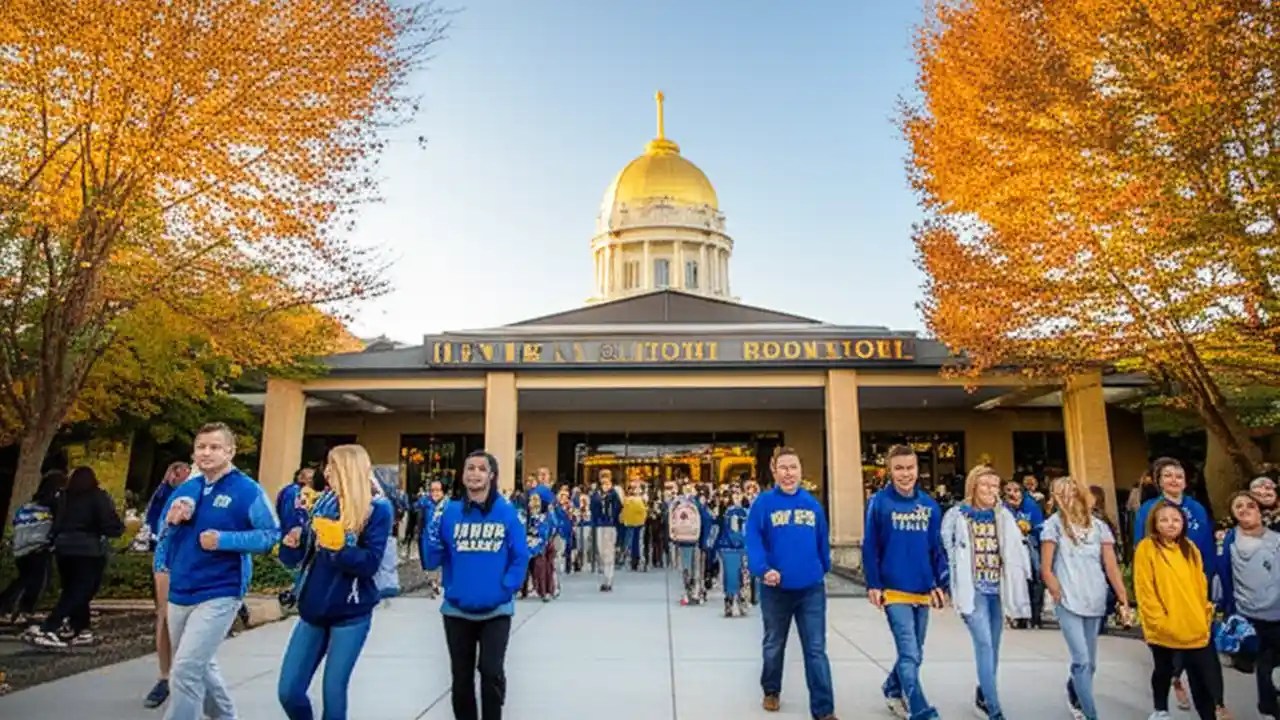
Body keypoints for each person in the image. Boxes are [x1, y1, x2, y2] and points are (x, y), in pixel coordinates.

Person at [156, 422, 281, 720]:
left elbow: (269, 534)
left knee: (185, 670)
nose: (207, 453)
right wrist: (171, 523)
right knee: (200, 664)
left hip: (221, 590)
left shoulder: (246, 490)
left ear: (230, 451)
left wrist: (224, 540)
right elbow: (162, 536)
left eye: (214, 447)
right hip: (181, 588)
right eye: (201, 447)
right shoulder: (188, 489)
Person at [277, 444, 393, 720]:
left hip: (351, 612)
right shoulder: (323, 502)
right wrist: (292, 543)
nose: (326, 471)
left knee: (333, 691)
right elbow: (298, 557)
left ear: (350, 470)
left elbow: (370, 563)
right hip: (313, 607)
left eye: (334, 465)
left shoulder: (377, 509)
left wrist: (337, 549)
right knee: (289, 691)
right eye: (327, 465)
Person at [422, 450, 529, 720]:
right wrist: (430, 532)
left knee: (491, 671)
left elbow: (520, 555)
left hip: (496, 610)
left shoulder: (507, 512)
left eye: (482, 469)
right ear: (463, 474)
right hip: (457, 610)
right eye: (470, 468)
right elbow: (433, 558)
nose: (475, 473)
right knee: (461, 678)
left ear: (492, 476)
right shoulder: (449, 512)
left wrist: (507, 587)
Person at [745, 447, 837, 720]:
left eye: (793, 467)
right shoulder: (763, 504)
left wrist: (823, 568)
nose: (788, 473)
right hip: (776, 591)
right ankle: (771, 689)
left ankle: (824, 710)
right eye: (783, 468)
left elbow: (822, 541)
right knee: (774, 643)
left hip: (810, 590)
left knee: (816, 649)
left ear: (800, 470)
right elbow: (754, 540)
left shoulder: (812, 505)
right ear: (774, 471)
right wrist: (763, 569)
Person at [862, 444, 947, 720]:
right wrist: (873, 584)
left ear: (917, 470)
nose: (905, 474)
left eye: (910, 468)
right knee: (909, 651)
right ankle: (920, 709)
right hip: (894, 590)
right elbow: (871, 546)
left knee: (915, 651)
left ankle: (891, 687)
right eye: (899, 468)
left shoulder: (929, 506)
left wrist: (940, 583)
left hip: (922, 589)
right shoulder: (879, 503)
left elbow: (936, 548)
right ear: (889, 470)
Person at [941, 465, 1031, 720]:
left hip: (997, 590)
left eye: (995, 486)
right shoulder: (957, 516)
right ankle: (994, 708)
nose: (991, 490)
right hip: (973, 590)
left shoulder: (1004, 516)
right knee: (983, 644)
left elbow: (1016, 552)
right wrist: (949, 585)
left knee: (994, 646)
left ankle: (983, 692)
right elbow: (946, 552)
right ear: (973, 487)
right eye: (985, 485)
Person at [1040, 476, 1132, 720]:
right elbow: (1046, 567)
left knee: (1090, 663)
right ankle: (1091, 714)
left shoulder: (1099, 527)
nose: (1067, 496)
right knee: (1081, 660)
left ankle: (1074, 690)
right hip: (1068, 599)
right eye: (1061, 493)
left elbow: (1111, 566)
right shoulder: (1053, 525)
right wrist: (1055, 588)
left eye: (1071, 491)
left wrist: (1123, 597)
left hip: (1095, 597)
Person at [1134, 500, 1227, 720]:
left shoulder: (1190, 548)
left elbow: (1200, 584)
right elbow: (1145, 589)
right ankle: (1161, 709)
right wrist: (1159, 621)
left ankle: (1210, 713)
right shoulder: (1147, 548)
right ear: (1154, 523)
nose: (1171, 524)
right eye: (1164, 519)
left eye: (1176, 519)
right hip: (1164, 625)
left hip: (1194, 624)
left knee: (1203, 674)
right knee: (1164, 669)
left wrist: (1205, 611)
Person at [25, 466, 124, 648]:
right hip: (88, 548)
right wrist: (117, 530)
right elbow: (109, 522)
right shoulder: (97, 496)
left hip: (63, 547)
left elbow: (55, 519)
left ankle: (80, 627)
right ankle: (50, 626)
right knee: (82, 590)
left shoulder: (63, 497)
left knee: (72, 588)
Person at [1215, 491, 1280, 719]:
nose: (1244, 509)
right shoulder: (1229, 541)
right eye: (1238, 507)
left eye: (1249, 504)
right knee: (1264, 666)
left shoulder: (1277, 538)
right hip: (1251, 614)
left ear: (1259, 510)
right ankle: (1268, 711)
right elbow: (1222, 576)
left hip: (1279, 611)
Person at [143, 461, 192, 709]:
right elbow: (153, 521)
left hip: (201, 560)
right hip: (168, 557)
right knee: (166, 614)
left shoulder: (222, 490)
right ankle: (164, 676)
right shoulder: (169, 493)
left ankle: (189, 674)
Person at [1, 471, 63, 626]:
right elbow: (58, 524)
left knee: (23, 580)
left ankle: (4, 608)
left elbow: (17, 524)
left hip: (21, 548)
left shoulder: (29, 506)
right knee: (39, 581)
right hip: (39, 547)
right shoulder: (54, 503)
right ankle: (24, 611)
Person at [715, 486, 750, 618]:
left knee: (742, 575)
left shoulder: (745, 512)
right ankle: (730, 602)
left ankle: (741, 601)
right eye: (734, 495)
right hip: (731, 548)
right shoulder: (730, 513)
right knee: (730, 577)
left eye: (738, 494)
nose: (736, 497)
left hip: (740, 548)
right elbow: (728, 531)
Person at [590, 470, 621, 592]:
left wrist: (609, 497)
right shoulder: (596, 494)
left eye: (607, 480)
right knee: (601, 551)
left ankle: (608, 579)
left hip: (610, 525)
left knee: (609, 552)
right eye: (602, 480)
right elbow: (593, 508)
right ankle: (605, 575)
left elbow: (618, 508)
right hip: (599, 525)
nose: (604, 482)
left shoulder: (614, 494)